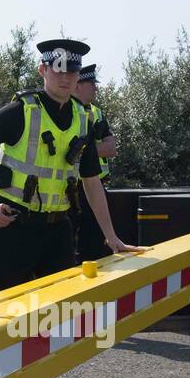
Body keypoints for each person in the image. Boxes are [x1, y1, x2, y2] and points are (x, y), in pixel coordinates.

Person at [0, 38, 140, 378]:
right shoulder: (18, 111)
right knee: (12, 316)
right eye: (57, 70)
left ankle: (32, 376)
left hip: (58, 228)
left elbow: (92, 182)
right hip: (14, 228)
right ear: (43, 71)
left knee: (53, 316)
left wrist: (111, 238)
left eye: (72, 72)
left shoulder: (82, 118)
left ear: (78, 78)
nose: (65, 77)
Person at [71, 63, 118, 262]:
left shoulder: (97, 113)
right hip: (69, 189)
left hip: (96, 186)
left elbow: (111, 149)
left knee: (94, 243)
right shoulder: (64, 112)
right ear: (77, 86)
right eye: (91, 83)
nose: (96, 87)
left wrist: (84, 151)